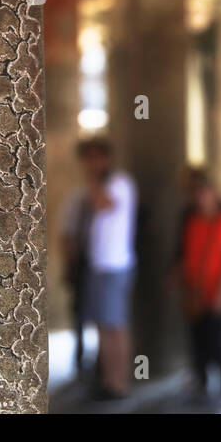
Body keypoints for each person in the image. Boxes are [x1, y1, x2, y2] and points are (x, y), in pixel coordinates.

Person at [178, 167, 221, 399]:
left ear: (215, 194)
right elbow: (188, 257)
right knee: (199, 339)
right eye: (196, 194)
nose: (200, 199)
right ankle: (201, 379)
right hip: (197, 293)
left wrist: (220, 294)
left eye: (204, 193)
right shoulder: (191, 221)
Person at [77, 137, 137, 400]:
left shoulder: (119, 183)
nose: (91, 163)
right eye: (87, 158)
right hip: (99, 265)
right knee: (103, 325)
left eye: (95, 157)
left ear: (107, 158)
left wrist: (90, 179)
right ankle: (107, 379)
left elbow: (102, 204)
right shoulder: (103, 184)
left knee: (116, 325)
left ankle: (119, 383)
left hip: (115, 265)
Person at [59, 182, 93, 375]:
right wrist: (69, 264)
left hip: (96, 263)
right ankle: (80, 357)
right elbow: (67, 234)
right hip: (81, 264)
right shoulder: (76, 198)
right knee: (79, 313)